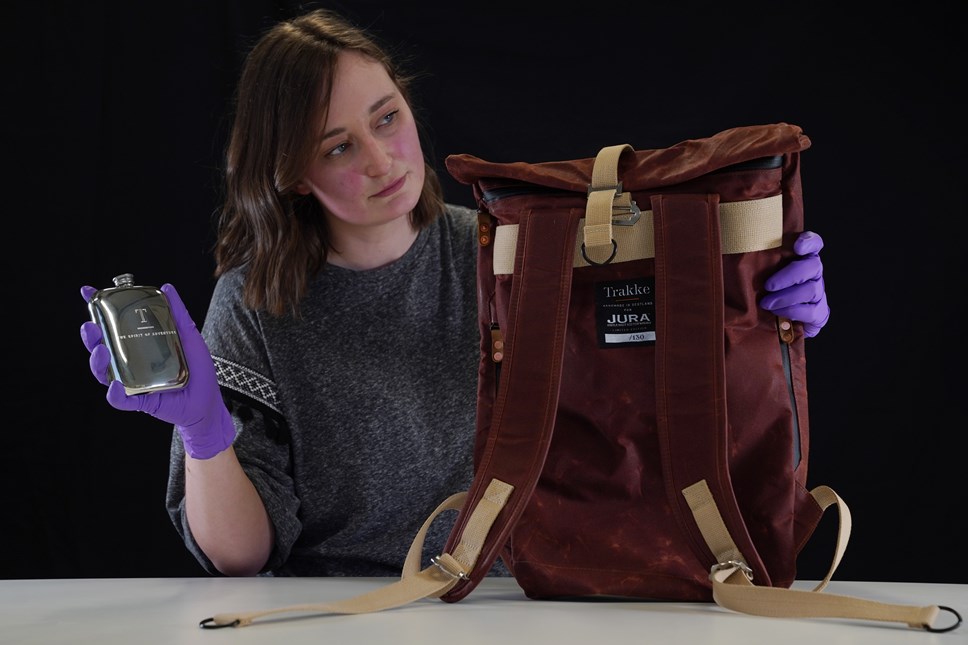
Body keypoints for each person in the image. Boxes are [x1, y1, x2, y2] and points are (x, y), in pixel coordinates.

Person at [78, 8, 830, 578]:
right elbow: (242, 558)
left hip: (528, 597)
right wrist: (204, 431)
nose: (381, 159)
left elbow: (647, 381)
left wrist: (757, 320)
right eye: (339, 146)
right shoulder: (253, 304)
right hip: (340, 612)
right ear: (289, 174)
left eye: (387, 119)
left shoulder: (512, 248)